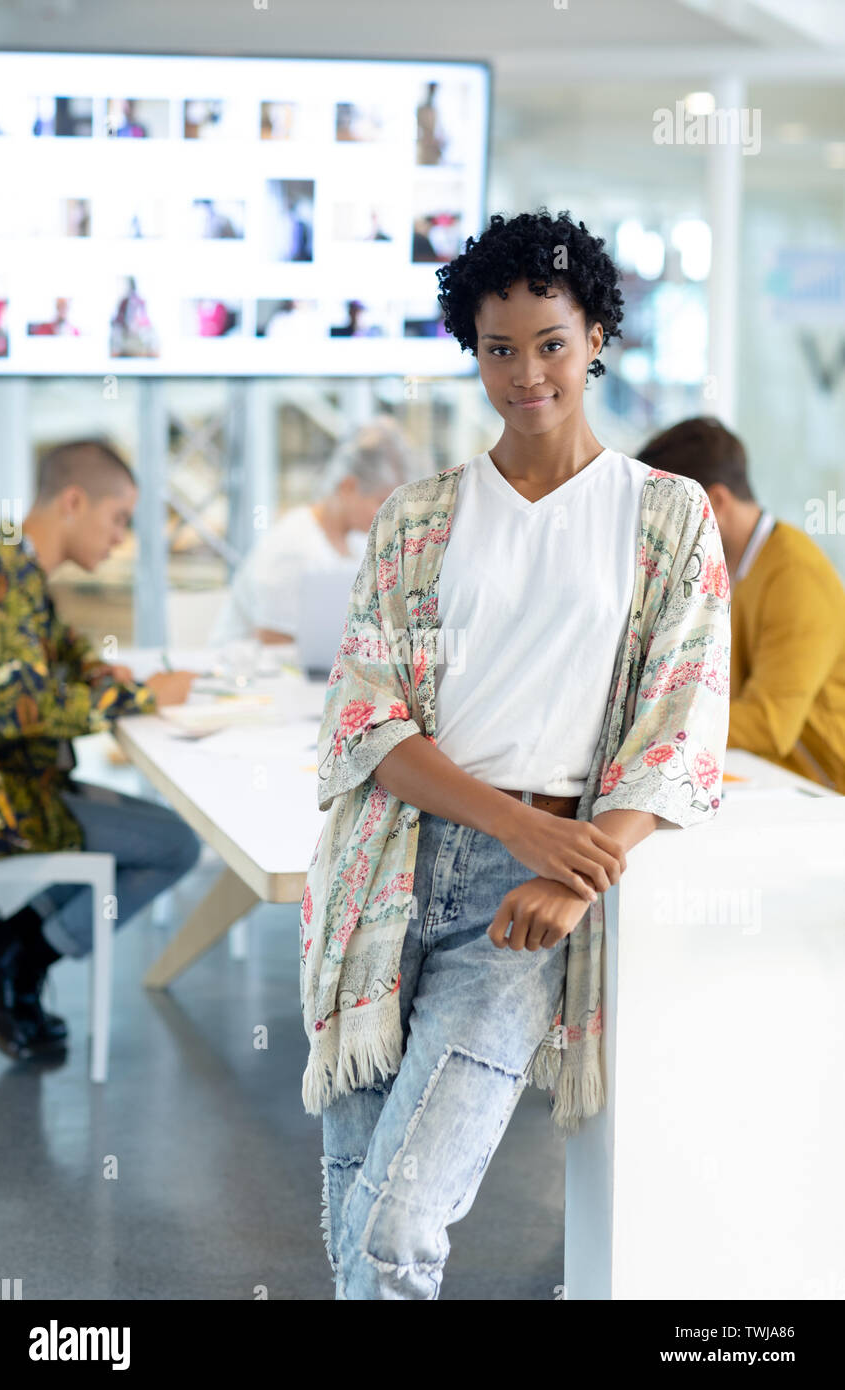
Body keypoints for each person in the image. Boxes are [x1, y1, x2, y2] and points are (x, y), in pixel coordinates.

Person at [300, 209, 731, 1299]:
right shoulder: (417, 518)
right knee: (356, 1195)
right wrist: (519, 824)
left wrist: (573, 862)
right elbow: (366, 718)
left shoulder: (664, 515)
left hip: (525, 898)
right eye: (498, 348)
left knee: (399, 1212)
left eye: (549, 342)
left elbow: (679, 723)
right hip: (387, 871)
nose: (525, 372)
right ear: (472, 351)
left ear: (595, 336)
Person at [0, 439, 202, 1063]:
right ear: (73, 501)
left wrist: (114, 681)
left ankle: (14, 950)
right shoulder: (2, 575)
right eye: (118, 519)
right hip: (0, 800)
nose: (120, 539)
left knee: (163, 835)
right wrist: (138, 699)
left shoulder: (12, 564)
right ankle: (14, 954)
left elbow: (61, 660)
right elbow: (23, 709)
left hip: (20, 784)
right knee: (174, 844)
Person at [636, 416, 845, 794]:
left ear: (715, 500)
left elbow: (770, 725)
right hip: (768, 781)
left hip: (823, 793)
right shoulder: (723, 566)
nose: (660, 532)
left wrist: (653, 723)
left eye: (669, 514)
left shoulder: (795, 576)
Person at [209, 416, 423, 648]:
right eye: (383, 502)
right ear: (348, 487)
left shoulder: (357, 542)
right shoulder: (293, 547)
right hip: (247, 675)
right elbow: (275, 645)